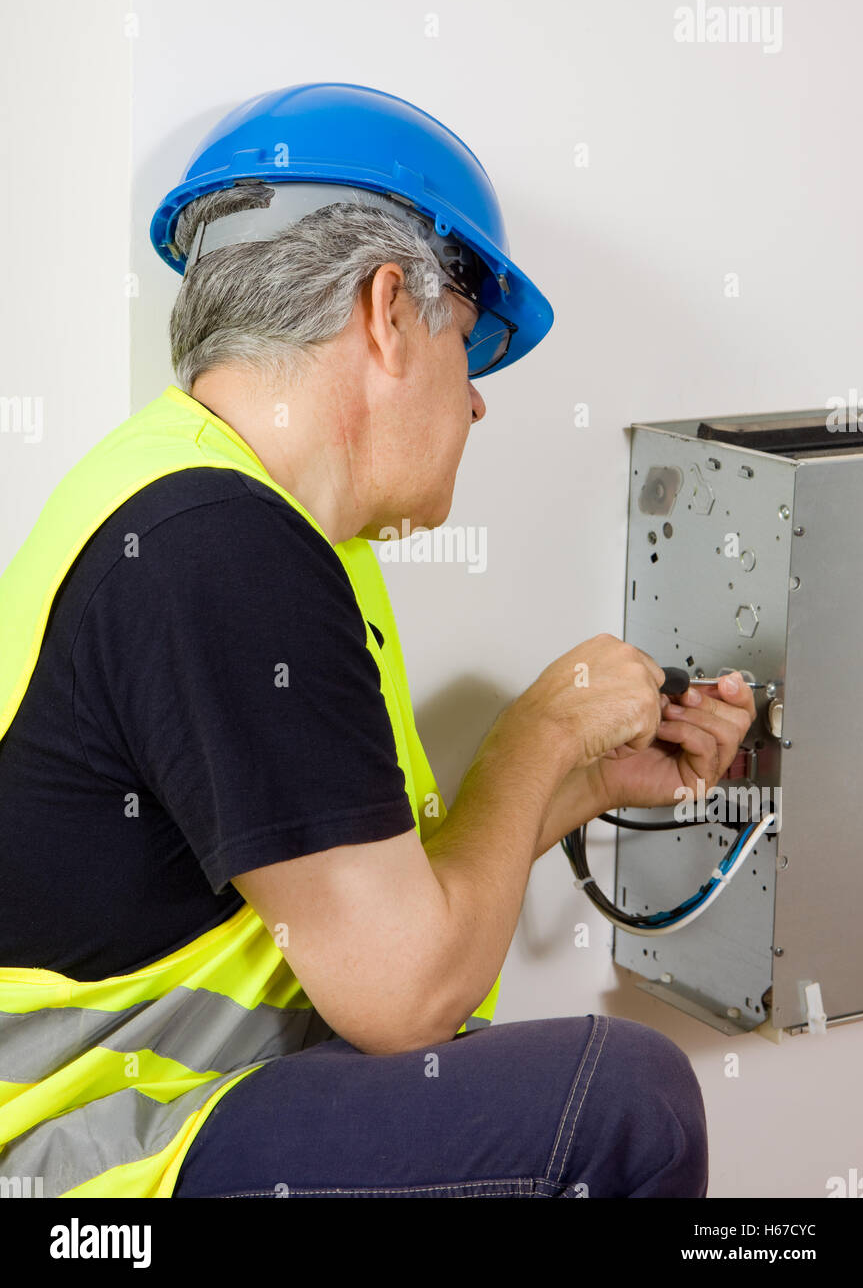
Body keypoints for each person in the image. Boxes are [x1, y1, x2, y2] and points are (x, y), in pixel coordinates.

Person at [0, 84, 756, 1198]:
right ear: (387, 308)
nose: (479, 404)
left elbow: (368, 911)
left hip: (151, 1122)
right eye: (468, 340)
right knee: (622, 1107)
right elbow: (406, 996)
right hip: (85, 1165)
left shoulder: (221, 513)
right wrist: (537, 736)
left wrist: (582, 779)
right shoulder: (219, 548)